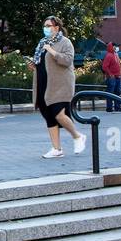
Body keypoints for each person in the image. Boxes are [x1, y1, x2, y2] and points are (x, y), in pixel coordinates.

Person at [30, 15, 85, 158]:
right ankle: (57, 149)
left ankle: (77, 136)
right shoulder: (42, 43)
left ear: (56, 28)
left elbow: (67, 60)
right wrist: (33, 64)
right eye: (45, 25)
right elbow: (41, 62)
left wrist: (52, 51)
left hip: (60, 85)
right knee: (49, 116)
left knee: (59, 114)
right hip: (43, 84)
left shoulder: (64, 42)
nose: (46, 28)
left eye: (49, 26)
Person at [101, 41, 121, 112]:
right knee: (110, 93)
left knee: (117, 92)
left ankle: (117, 107)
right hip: (112, 77)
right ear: (112, 46)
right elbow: (104, 67)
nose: (117, 47)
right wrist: (110, 74)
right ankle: (109, 108)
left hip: (118, 77)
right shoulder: (109, 55)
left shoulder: (115, 54)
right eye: (115, 46)